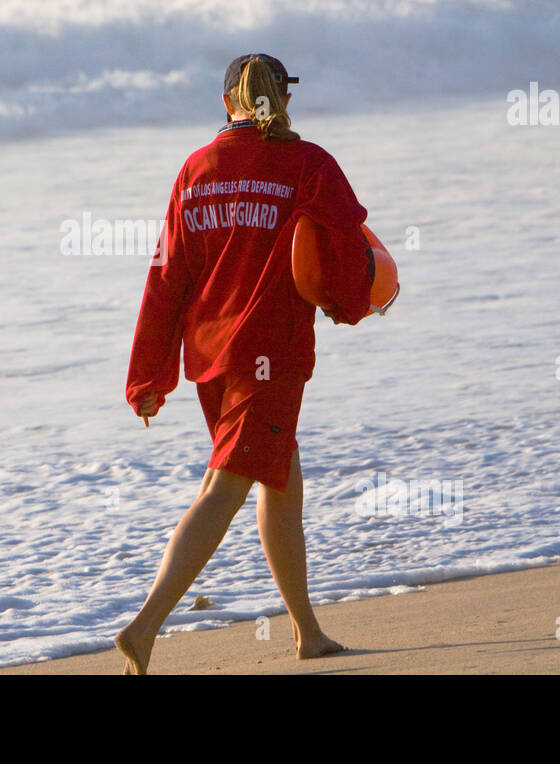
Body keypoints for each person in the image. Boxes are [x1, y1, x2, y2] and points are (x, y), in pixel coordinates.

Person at [115, 53, 376, 675]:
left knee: (281, 482)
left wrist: (149, 374)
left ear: (225, 100)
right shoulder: (308, 164)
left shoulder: (196, 169)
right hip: (271, 353)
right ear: (284, 99)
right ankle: (144, 626)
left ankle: (308, 633)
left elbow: (166, 277)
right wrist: (351, 303)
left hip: (210, 355)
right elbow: (349, 239)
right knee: (228, 485)